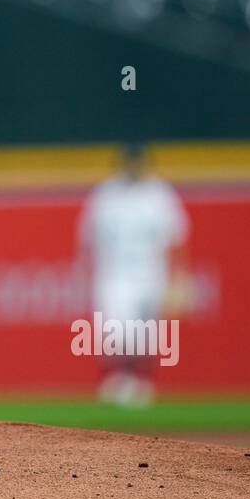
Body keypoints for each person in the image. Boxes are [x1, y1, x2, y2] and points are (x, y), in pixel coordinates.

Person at [77, 144, 188, 407]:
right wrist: (86, 273)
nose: (134, 168)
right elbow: (87, 239)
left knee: (147, 334)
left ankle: (141, 382)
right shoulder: (105, 195)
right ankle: (119, 378)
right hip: (114, 275)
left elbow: (177, 237)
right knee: (119, 331)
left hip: (151, 274)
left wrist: (180, 277)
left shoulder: (160, 194)